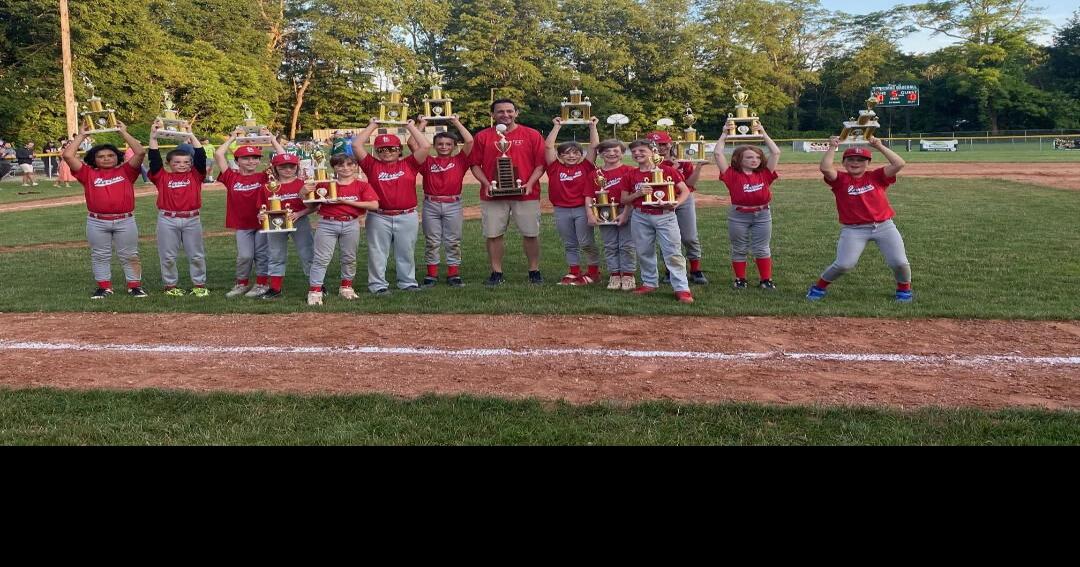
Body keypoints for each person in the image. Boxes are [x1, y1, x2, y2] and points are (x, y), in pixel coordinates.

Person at [807, 136, 912, 302]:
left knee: (900, 262)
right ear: (844, 163)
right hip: (854, 229)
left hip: (885, 226)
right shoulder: (841, 180)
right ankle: (819, 287)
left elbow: (899, 163)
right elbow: (826, 168)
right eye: (851, 159)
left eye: (861, 160)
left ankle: (904, 290)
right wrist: (832, 147)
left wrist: (879, 146)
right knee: (843, 264)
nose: (855, 163)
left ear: (868, 163)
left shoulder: (876, 176)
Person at [62, 122, 148, 299]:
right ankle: (104, 286)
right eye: (101, 156)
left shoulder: (127, 171)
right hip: (97, 220)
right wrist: (82, 136)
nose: (107, 158)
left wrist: (123, 133)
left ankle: (134, 286)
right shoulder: (88, 173)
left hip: (125, 220)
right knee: (100, 254)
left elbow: (140, 152)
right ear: (94, 159)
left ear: (117, 157)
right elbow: (68, 156)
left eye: (110, 155)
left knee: (130, 254)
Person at [469, 99, 547, 286]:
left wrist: (529, 183)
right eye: (500, 111)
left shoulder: (532, 134)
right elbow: (474, 164)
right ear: (493, 115)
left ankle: (534, 270)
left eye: (509, 111)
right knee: (493, 234)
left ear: (517, 112)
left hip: (526, 193)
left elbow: (540, 164)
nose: (506, 114)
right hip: (493, 194)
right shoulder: (482, 136)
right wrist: (486, 183)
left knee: (530, 233)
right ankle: (496, 272)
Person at [352, 118, 430, 295]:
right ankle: (378, 285)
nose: (387, 152)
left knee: (406, 251)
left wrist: (410, 126)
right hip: (379, 216)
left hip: (407, 214)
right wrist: (373, 125)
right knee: (378, 252)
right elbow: (357, 145)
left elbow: (425, 146)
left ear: (399, 150)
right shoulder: (372, 165)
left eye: (392, 148)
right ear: (377, 151)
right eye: (382, 149)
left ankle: (407, 282)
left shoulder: (409, 164)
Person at [619, 140, 694, 303]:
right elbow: (624, 199)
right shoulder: (631, 174)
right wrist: (638, 193)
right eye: (634, 152)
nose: (637, 154)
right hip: (640, 215)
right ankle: (649, 282)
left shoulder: (667, 170)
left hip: (665, 215)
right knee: (644, 251)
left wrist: (675, 204)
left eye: (642, 151)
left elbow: (685, 190)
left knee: (673, 251)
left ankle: (681, 288)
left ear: (652, 152)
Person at [713, 121, 781, 290]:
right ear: (738, 159)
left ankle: (766, 280)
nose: (754, 160)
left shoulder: (764, 173)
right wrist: (724, 134)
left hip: (763, 214)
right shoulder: (731, 175)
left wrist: (763, 132)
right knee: (739, 248)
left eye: (757, 157)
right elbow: (717, 154)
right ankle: (740, 279)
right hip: (739, 215)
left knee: (762, 248)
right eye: (749, 157)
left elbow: (776, 152)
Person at [305, 154, 380, 305]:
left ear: (355, 166)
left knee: (349, 258)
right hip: (327, 224)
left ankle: (346, 287)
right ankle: (315, 290)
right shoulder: (325, 184)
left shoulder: (362, 185)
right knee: (321, 259)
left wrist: (345, 201)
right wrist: (304, 191)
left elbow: (374, 205)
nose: (345, 168)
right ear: (334, 168)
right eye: (340, 165)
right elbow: (310, 204)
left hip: (351, 223)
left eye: (349, 164)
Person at [148, 120, 209, 297]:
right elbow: (154, 159)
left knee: (196, 254)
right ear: (169, 164)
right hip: (168, 218)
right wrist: (153, 137)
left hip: (192, 218)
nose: (182, 165)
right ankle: (170, 286)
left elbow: (200, 155)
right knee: (167, 256)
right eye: (177, 162)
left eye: (185, 162)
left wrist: (190, 134)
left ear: (190, 164)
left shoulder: (196, 175)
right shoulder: (161, 176)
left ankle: (199, 285)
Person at [415, 115, 474, 288]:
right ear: (434, 146)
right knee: (432, 240)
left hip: (453, 204)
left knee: (453, 240)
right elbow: (412, 143)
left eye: (448, 144)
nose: (444, 147)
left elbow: (470, 141)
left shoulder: (460, 160)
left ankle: (453, 274)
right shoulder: (427, 160)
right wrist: (423, 123)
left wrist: (456, 122)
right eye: (440, 144)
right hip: (431, 204)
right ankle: (431, 274)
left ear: (455, 146)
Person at [215, 129, 273, 298]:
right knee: (245, 256)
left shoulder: (264, 177)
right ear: (237, 161)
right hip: (242, 224)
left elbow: (283, 158)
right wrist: (232, 137)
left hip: (263, 222)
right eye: (246, 158)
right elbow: (219, 154)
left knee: (262, 255)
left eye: (255, 158)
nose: (251, 161)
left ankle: (261, 284)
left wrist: (271, 139)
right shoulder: (231, 177)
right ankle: (241, 284)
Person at [545, 116, 601, 285]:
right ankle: (574, 271)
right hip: (561, 209)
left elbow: (594, 147)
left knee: (586, 242)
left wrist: (592, 127)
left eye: (575, 152)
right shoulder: (554, 167)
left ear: (580, 154)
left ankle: (593, 271)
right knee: (570, 243)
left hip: (582, 209)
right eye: (566, 153)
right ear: (560, 155)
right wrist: (556, 126)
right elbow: (547, 146)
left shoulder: (585, 166)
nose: (571, 156)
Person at [256, 145, 316, 300]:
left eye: (291, 166)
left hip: (299, 220)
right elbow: (262, 208)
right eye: (283, 167)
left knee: (307, 253)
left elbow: (313, 207)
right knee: (275, 254)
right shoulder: (268, 187)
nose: (288, 170)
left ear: (297, 167)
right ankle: (275, 288)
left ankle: (316, 285)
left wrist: (299, 213)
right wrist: (261, 216)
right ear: (275, 169)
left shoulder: (303, 184)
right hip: (275, 223)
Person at [647, 131, 707, 285]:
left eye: (663, 144)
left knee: (689, 237)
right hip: (662, 201)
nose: (660, 148)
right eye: (655, 145)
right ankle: (670, 270)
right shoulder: (649, 162)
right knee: (667, 237)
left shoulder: (683, 160)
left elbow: (690, 184)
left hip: (684, 199)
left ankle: (695, 269)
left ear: (670, 143)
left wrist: (699, 166)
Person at [588, 139, 637, 291]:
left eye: (616, 151)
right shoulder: (595, 174)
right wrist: (590, 214)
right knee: (610, 245)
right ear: (600, 154)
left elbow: (632, 195)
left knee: (627, 245)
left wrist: (626, 214)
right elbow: (588, 196)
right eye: (606, 151)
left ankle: (628, 275)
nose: (611, 154)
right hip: (604, 212)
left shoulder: (630, 170)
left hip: (625, 210)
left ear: (622, 154)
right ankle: (615, 274)